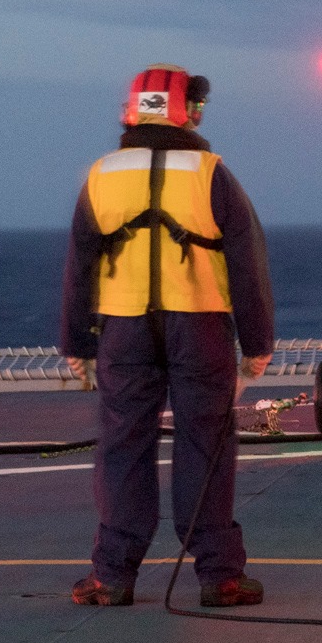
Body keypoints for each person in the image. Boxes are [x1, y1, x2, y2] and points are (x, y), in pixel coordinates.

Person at [59, 64, 276, 607]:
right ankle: (219, 575)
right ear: (189, 113)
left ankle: (112, 575)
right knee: (206, 443)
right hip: (199, 325)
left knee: (122, 445)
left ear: (132, 111)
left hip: (123, 329)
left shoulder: (102, 175)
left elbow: (79, 264)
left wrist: (76, 343)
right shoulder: (210, 174)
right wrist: (257, 344)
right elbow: (247, 262)